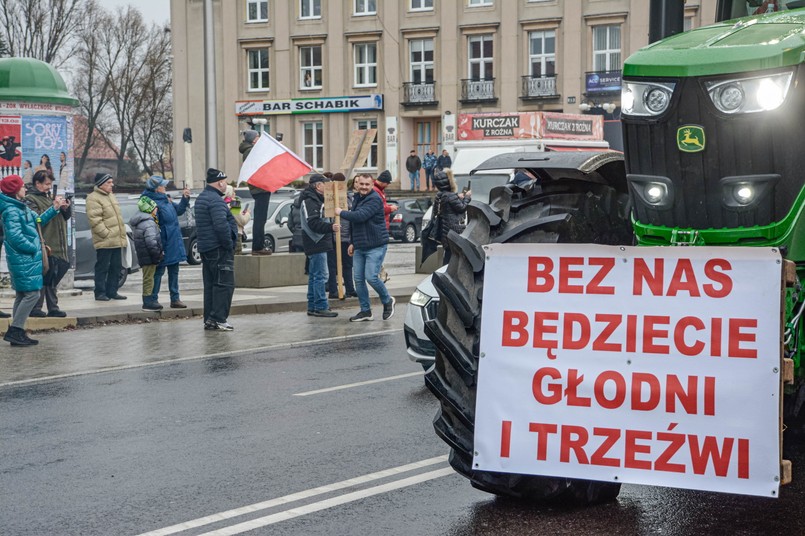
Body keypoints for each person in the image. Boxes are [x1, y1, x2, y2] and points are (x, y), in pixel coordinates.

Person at [0, 174, 66, 346]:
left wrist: (55, 208)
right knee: (32, 294)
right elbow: (14, 236)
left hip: (26, 257)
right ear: (15, 190)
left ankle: (16, 331)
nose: (25, 188)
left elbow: (38, 220)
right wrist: (34, 247)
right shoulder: (11, 210)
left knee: (23, 293)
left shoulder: (20, 207)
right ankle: (16, 330)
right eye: (22, 186)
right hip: (23, 257)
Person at [336, 173, 395, 322]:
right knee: (359, 280)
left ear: (371, 184)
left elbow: (360, 216)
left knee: (371, 277)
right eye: (361, 184)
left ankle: (388, 301)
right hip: (360, 246)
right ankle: (365, 311)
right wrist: (352, 242)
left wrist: (341, 212)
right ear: (357, 184)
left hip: (375, 245)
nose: (363, 187)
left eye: (367, 185)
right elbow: (355, 224)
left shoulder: (374, 199)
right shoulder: (357, 198)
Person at [195, 168, 238, 330]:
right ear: (220, 182)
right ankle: (219, 319)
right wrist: (228, 245)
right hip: (219, 248)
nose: (226, 184)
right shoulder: (216, 200)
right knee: (224, 284)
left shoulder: (202, 198)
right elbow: (221, 226)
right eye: (225, 181)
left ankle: (210, 319)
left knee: (211, 285)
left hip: (206, 248)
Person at [25, 170, 72, 318]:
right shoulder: (30, 199)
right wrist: (55, 208)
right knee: (44, 277)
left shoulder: (50, 197)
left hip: (59, 246)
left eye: (50, 184)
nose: (49, 187)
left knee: (53, 277)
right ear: (37, 183)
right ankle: (36, 308)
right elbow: (38, 220)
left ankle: (53, 307)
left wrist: (65, 208)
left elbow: (64, 218)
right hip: (45, 245)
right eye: (46, 184)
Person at [141, 175, 191, 309]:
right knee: (159, 271)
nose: (165, 187)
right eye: (163, 185)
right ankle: (153, 298)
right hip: (163, 242)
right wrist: (158, 246)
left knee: (174, 270)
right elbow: (153, 226)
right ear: (157, 189)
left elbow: (179, 211)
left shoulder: (166, 200)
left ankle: (175, 298)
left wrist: (185, 198)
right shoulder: (150, 203)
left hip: (173, 241)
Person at [301, 174, 340, 318]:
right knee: (321, 275)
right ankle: (320, 306)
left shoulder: (315, 199)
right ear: (318, 186)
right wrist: (331, 227)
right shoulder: (310, 201)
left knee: (314, 275)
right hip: (315, 241)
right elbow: (313, 222)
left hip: (318, 241)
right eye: (326, 184)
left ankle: (312, 306)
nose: (328, 187)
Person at [86, 173, 128, 301]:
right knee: (102, 267)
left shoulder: (111, 196)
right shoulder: (93, 198)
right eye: (109, 182)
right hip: (105, 240)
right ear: (101, 184)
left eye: (112, 182)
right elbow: (95, 220)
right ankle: (100, 292)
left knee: (116, 266)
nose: (112, 185)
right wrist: (106, 234)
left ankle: (112, 291)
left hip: (116, 239)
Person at [239, 129, 272, 256]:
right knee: (260, 219)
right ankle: (258, 246)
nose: (260, 139)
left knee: (261, 218)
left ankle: (259, 246)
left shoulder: (249, 150)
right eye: (258, 136)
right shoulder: (250, 151)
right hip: (260, 187)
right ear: (253, 140)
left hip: (260, 187)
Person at [130, 196, 164, 311]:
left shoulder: (141, 221)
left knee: (147, 277)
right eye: (154, 207)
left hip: (144, 254)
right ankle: (148, 302)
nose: (156, 209)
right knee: (149, 278)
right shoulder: (149, 222)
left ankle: (148, 300)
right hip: (149, 256)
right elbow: (151, 242)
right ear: (149, 209)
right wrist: (158, 255)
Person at [432, 169, 471, 265]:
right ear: (449, 182)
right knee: (453, 256)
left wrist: (458, 196)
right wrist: (467, 198)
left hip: (443, 231)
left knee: (448, 254)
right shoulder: (450, 196)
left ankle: (444, 274)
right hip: (453, 230)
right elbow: (462, 208)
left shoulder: (440, 196)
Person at [374, 170, 397, 283]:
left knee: (380, 253)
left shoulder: (379, 190)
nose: (388, 186)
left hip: (382, 226)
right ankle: (378, 275)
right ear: (384, 182)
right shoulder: (376, 191)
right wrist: (390, 208)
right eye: (387, 183)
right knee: (379, 253)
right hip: (380, 226)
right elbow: (378, 209)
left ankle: (381, 273)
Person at [225, 185, 251, 255]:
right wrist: (248, 214)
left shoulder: (222, 203)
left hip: (225, 233)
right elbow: (242, 221)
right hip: (236, 233)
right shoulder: (234, 204)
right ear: (229, 193)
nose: (235, 194)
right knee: (237, 258)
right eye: (234, 192)